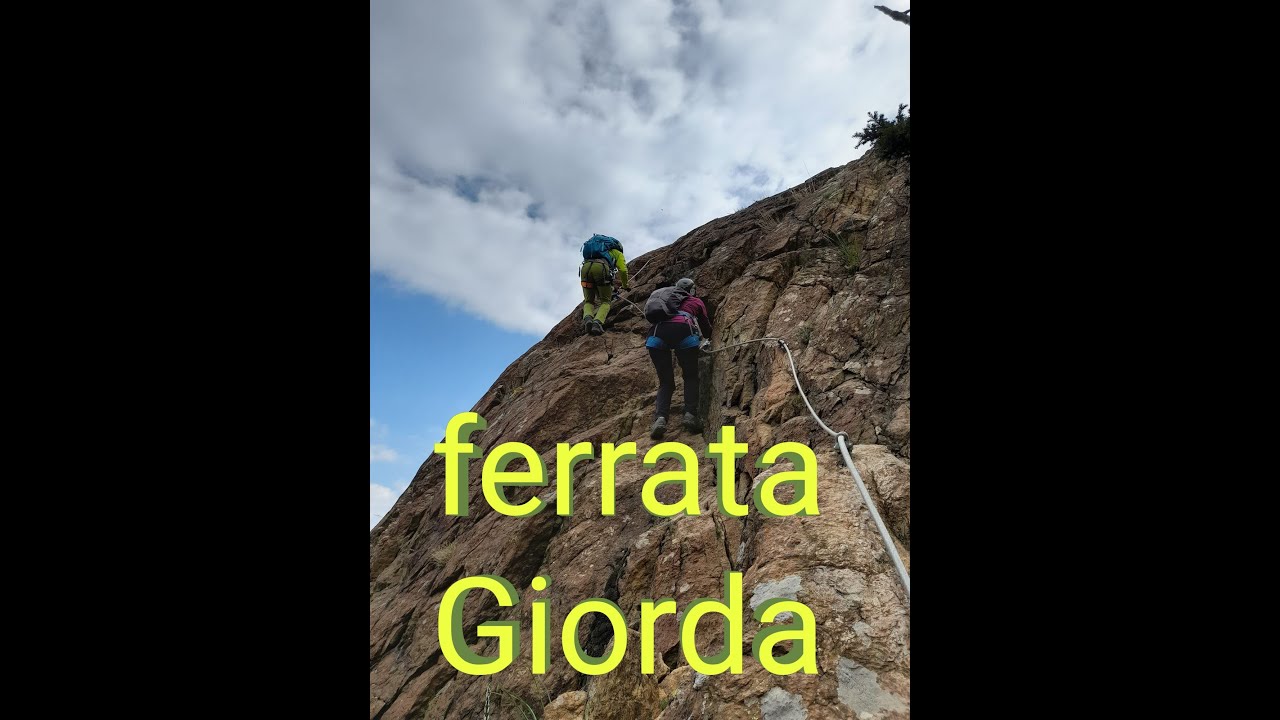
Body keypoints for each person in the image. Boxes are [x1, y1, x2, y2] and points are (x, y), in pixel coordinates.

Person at [644, 277, 713, 438]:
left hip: (657, 334)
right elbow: (705, 326)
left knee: (666, 382)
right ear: (691, 289)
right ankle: (690, 415)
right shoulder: (695, 301)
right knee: (690, 376)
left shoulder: (664, 300)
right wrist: (708, 337)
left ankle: (660, 419)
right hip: (684, 330)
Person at [579, 234, 629, 336]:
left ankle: (588, 318)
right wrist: (625, 285)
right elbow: (623, 270)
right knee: (606, 301)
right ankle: (597, 323)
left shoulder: (594, 251)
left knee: (589, 301)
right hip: (601, 268)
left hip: (585, 268)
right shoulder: (617, 253)